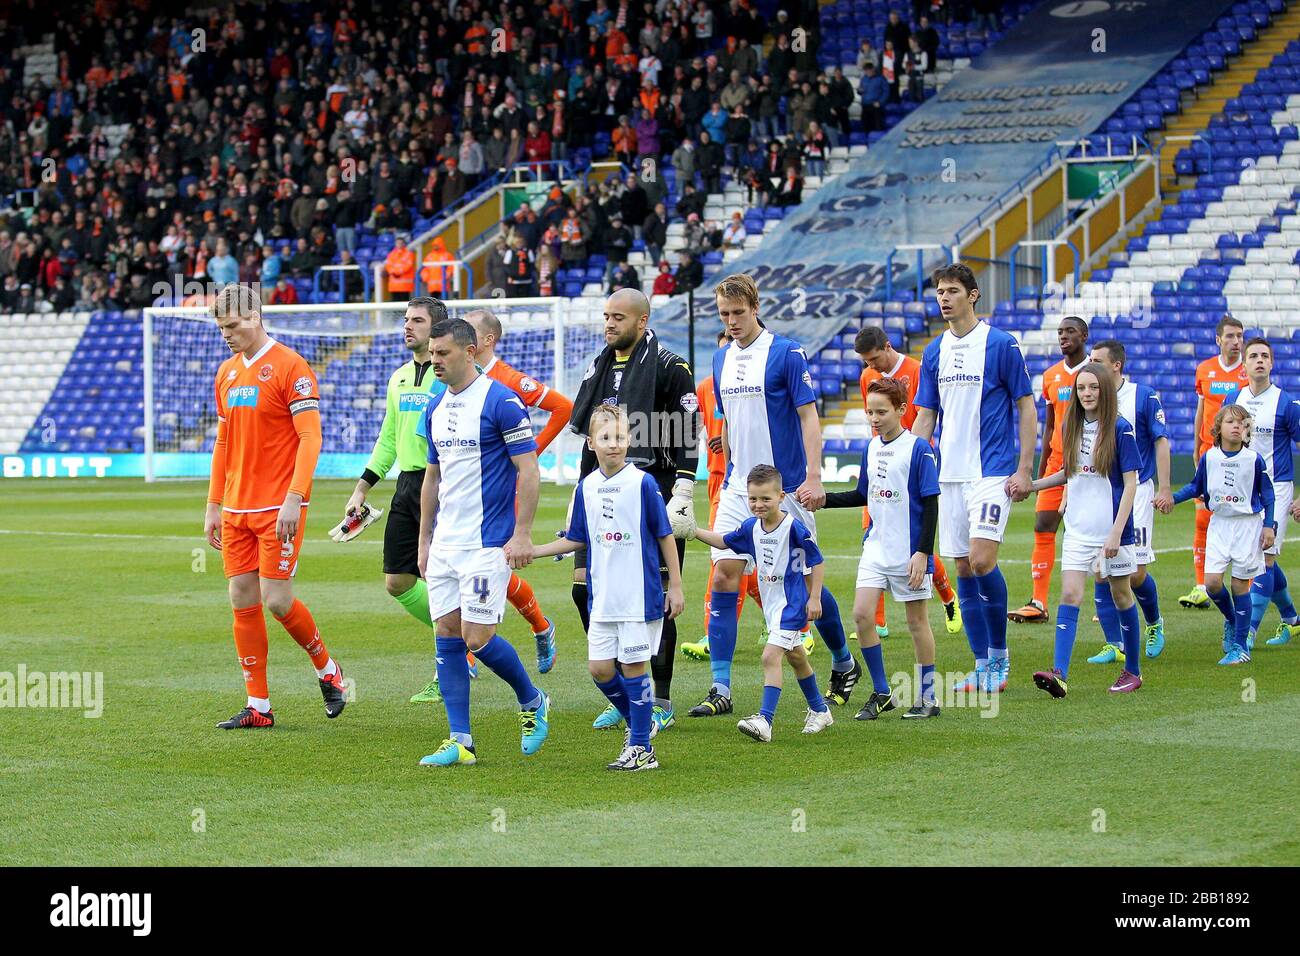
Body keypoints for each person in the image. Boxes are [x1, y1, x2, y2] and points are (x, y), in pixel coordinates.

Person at [691, 274, 859, 719]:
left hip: (786, 489)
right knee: (726, 572)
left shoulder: (786, 353)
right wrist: (727, 468)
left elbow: (808, 417)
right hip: (737, 486)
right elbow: (726, 419)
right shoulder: (719, 356)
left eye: (738, 313)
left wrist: (815, 477)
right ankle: (720, 687)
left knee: (803, 584)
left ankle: (843, 660)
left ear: (755, 306)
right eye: (724, 315)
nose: (731, 322)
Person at [203, 285, 346, 729]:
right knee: (241, 599)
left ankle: (328, 670)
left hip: (278, 507)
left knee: (278, 600)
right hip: (237, 509)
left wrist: (295, 496)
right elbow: (223, 441)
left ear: (255, 316)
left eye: (232, 325)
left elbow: (310, 438)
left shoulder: (291, 367)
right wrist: (213, 504)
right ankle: (258, 706)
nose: (226, 334)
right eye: (221, 328)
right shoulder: (226, 373)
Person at [415, 318, 551, 767]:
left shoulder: (501, 401)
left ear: (470, 351)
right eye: (432, 353)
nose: (435, 361)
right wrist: (424, 539)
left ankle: (533, 701)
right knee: (446, 635)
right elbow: (432, 477)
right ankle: (460, 740)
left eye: (443, 353)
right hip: (446, 546)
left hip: (488, 543)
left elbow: (528, 470)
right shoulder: (434, 407)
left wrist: (523, 533)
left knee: (477, 637)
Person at [568, 288, 701, 733]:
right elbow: (591, 430)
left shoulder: (670, 366)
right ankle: (626, 690)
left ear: (642, 321)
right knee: (583, 589)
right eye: (606, 316)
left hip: (653, 490)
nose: (609, 324)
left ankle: (658, 698)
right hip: (602, 492)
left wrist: (683, 488)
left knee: (657, 600)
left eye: (618, 317)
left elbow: (687, 430)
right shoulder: (599, 365)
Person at [340, 297, 484, 705]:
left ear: (437, 328)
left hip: (446, 483)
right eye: (405, 320)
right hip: (408, 483)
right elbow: (389, 437)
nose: (407, 327)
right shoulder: (400, 377)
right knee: (398, 580)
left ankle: (456, 657)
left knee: (448, 579)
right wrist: (363, 487)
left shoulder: (452, 377)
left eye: (416, 321)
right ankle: (464, 647)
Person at [532, 405, 685, 770]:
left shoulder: (643, 483)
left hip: (638, 596)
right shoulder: (587, 487)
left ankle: (641, 747)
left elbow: (665, 535)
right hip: (603, 598)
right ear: (591, 443)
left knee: (634, 669)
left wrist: (675, 586)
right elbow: (576, 539)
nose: (613, 445)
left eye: (619, 437)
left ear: (629, 439)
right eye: (605, 438)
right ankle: (640, 724)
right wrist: (534, 551)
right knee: (600, 669)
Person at [912, 263, 1036, 695]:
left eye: (951, 291)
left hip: (992, 471)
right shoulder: (933, 352)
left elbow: (1025, 405)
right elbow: (927, 413)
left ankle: (1000, 659)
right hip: (949, 475)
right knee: (962, 564)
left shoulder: (1001, 344)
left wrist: (1024, 467)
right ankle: (981, 664)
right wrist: (912, 460)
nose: (944, 298)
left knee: (982, 560)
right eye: (939, 292)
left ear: (973, 295)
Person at [816, 377, 942, 719]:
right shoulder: (871, 447)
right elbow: (862, 494)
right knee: (861, 615)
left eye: (881, 411)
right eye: (870, 411)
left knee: (917, 622)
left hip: (908, 552)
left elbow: (930, 504)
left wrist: (922, 552)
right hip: (875, 546)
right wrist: (823, 499)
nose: (874, 418)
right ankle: (883, 691)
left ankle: (928, 697)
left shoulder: (919, 449)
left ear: (902, 409)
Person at [1020, 365, 1142, 697]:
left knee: (1121, 596)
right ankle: (1059, 673)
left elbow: (1131, 485)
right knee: (1070, 596)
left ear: (1105, 390)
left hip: (1112, 532)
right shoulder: (1071, 426)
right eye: (1081, 388)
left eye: (1093, 388)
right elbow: (1067, 473)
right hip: (1077, 530)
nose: (1086, 394)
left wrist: (1117, 532)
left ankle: (1132, 670)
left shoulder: (1121, 428)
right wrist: (1033, 486)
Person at [689, 465, 836, 741]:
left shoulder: (794, 528)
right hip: (773, 607)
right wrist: (693, 530)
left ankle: (765, 721)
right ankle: (819, 710)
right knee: (795, 656)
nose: (758, 505)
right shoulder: (750, 528)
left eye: (765, 499)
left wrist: (814, 597)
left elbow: (816, 561)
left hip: (792, 604)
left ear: (781, 496)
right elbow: (722, 542)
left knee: (770, 656)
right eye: (753, 499)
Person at [465, 307, 575, 664]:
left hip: (502, 490)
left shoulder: (508, 379)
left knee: (495, 562)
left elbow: (563, 407)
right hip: (466, 490)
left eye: (468, 330)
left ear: (487, 340)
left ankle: (466, 655)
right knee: (481, 565)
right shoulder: (455, 378)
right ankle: (541, 627)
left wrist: (530, 453)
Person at [855, 325, 962, 638]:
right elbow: (873, 421)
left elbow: (925, 414)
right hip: (882, 462)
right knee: (874, 533)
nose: (872, 367)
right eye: (866, 363)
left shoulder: (916, 370)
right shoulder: (866, 377)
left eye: (875, 359)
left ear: (888, 347)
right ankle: (878, 621)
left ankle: (948, 597)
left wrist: (908, 455)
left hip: (912, 461)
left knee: (913, 540)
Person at [1163, 405, 1275, 665]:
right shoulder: (1209, 458)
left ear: (1247, 430)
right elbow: (1195, 486)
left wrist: (1269, 525)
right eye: (1230, 422)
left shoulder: (1253, 459)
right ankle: (1234, 620)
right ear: (1218, 428)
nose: (1236, 427)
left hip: (1247, 525)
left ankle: (1239, 647)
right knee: (1212, 584)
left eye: (1242, 424)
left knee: (1239, 585)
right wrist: (1171, 499)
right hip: (1219, 525)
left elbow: (1267, 495)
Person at [1086, 340, 1172, 663]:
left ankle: (1154, 622)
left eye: (1096, 360)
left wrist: (1164, 488)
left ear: (1116, 365)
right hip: (1098, 494)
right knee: (1100, 568)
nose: (1089, 365)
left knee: (1133, 572)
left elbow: (1161, 441)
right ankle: (1114, 644)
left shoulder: (1143, 395)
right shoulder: (1088, 398)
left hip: (1136, 492)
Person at [682, 330, 764, 661]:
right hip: (720, 479)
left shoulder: (756, 380)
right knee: (732, 559)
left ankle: (796, 626)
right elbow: (691, 429)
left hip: (756, 481)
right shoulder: (705, 386)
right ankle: (788, 625)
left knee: (753, 556)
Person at [1009, 316, 1089, 625]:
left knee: (1091, 530)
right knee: (1043, 525)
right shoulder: (1052, 376)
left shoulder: (1095, 371)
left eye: (1070, 331)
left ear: (1083, 335)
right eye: (1060, 332)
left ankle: (1105, 600)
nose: (1063, 336)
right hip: (1057, 461)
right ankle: (1038, 602)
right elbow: (1051, 424)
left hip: (1089, 462)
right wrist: (1039, 472)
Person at [1225, 338, 1300, 646]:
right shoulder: (1233, 397)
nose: (1259, 360)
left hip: (1278, 487)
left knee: (1264, 557)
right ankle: (1291, 619)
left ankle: (1248, 633)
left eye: (1264, 356)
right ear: (1244, 363)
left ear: (1271, 364)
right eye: (1253, 355)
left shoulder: (1286, 403)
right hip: (1244, 489)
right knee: (1260, 554)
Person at [1181, 316, 1248, 609]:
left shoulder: (1249, 373)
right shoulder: (1204, 370)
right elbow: (1201, 411)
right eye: (1231, 336)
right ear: (1218, 339)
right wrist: (1197, 449)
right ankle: (1201, 586)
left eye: (1240, 336)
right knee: (1203, 518)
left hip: (1238, 458)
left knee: (1241, 519)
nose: (1236, 342)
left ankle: (1245, 582)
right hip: (1210, 454)